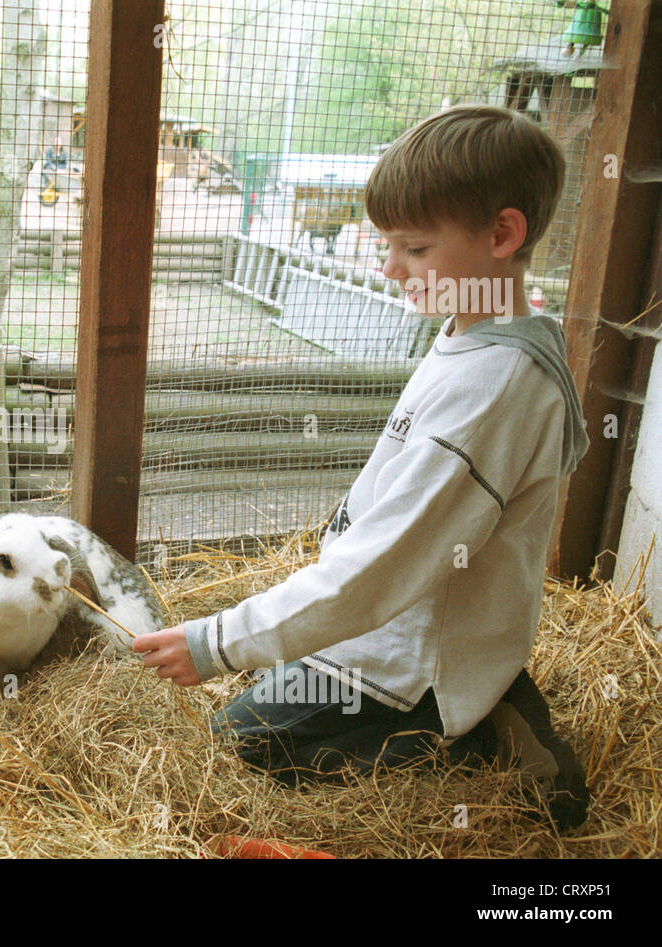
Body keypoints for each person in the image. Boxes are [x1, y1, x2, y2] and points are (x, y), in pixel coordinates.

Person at [133, 104, 592, 831]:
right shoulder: (473, 335)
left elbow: (376, 574)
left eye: (413, 247)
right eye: (387, 245)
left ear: (503, 235)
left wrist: (213, 644)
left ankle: (459, 731)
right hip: (390, 630)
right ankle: (486, 695)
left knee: (225, 750)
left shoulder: (495, 387)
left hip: (399, 668)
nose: (389, 269)